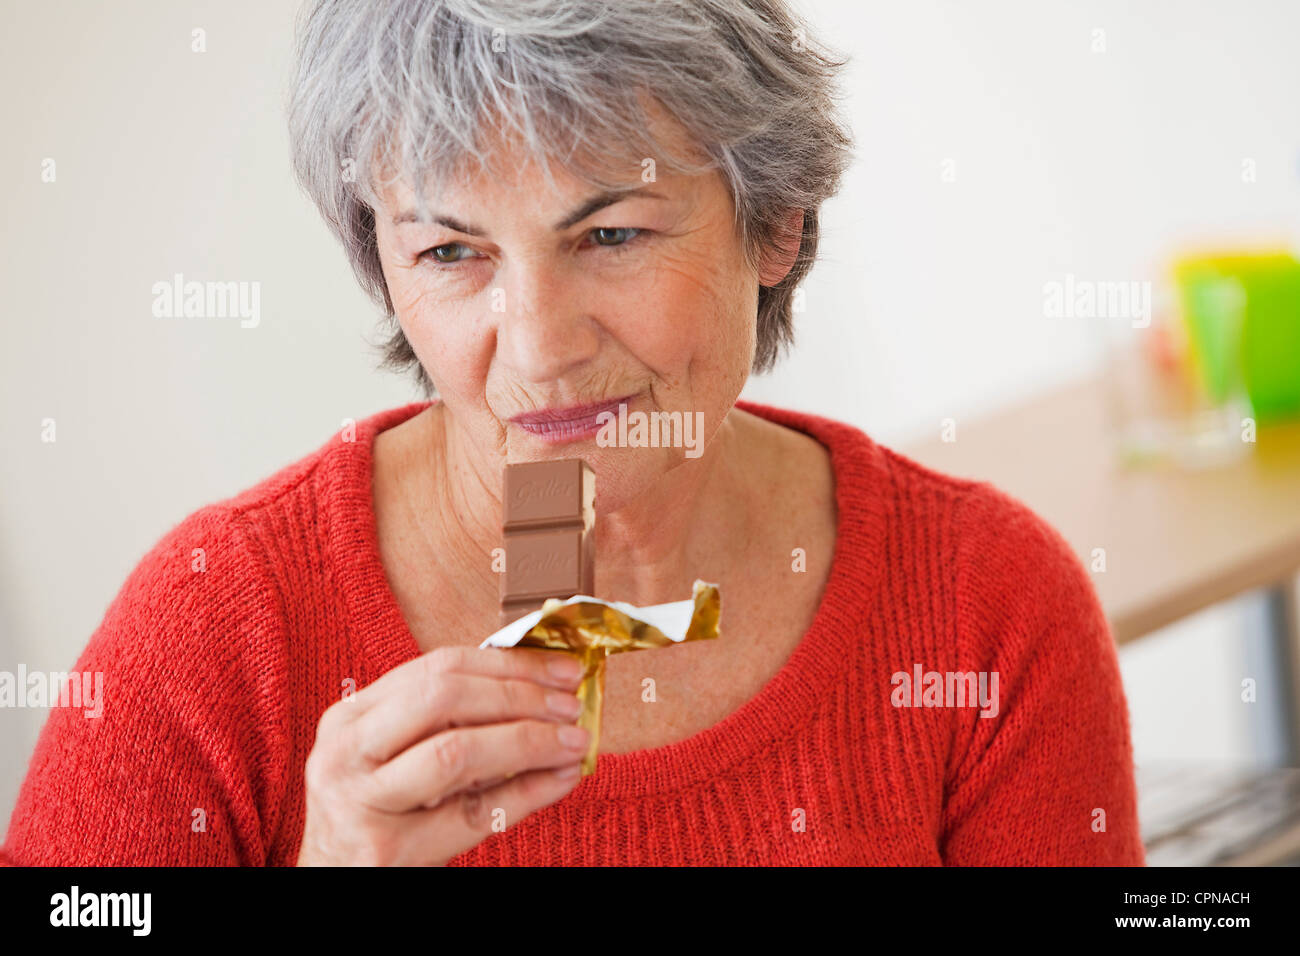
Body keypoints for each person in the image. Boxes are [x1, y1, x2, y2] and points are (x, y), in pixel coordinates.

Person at [1, 0, 1144, 866]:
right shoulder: (216, 621)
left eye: (611, 235)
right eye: (452, 252)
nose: (539, 347)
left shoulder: (989, 607)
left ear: (777, 225)